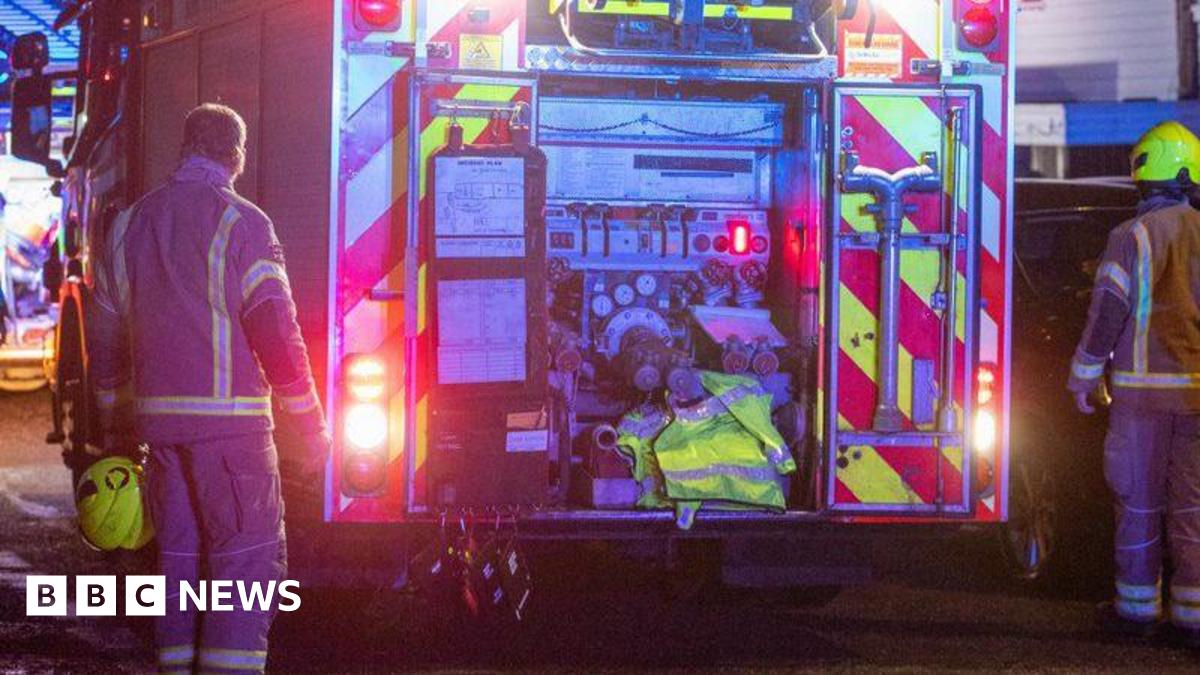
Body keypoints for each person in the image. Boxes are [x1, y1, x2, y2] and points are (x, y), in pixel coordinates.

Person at [88, 103, 330, 673]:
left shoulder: (130, 224)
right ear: (236, 157)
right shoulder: (244, 224)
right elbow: (275, 331)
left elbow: (103, 331)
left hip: (160, 441)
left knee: (178, 567)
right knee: (245, 570)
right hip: (235, 439)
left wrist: (111, 414)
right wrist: (312, 428)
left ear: (184, 148)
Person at [1069, 120, 1200, 645]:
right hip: (1195, 399)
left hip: (1140, 401)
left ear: (1143, 176)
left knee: (1139, 505)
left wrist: (1082, 376)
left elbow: (1107, 314)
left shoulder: (1131, 236)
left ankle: (1136, 613)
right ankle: (1193, 620)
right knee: (1193, 507)